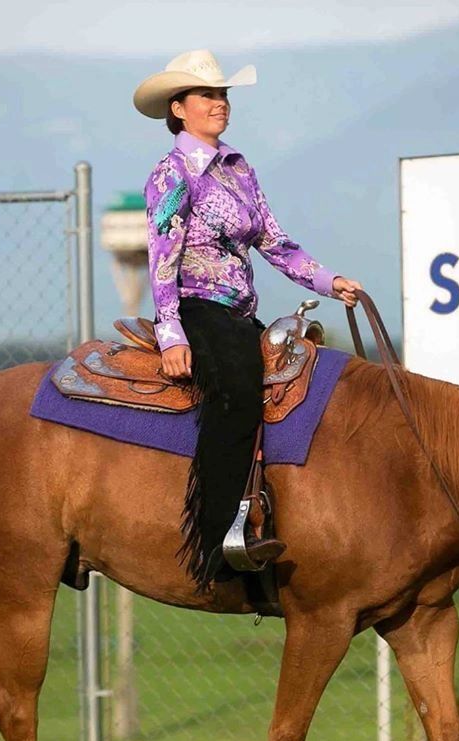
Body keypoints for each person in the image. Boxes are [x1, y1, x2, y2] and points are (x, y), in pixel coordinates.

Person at [134, 50, 362, 591]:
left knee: (299, 381)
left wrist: (330, 282)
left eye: (224, 95)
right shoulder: (172, 173)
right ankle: (216, 546)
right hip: (197, 307)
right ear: (179, 108)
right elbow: (161, 254)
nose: (220, 104)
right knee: (236, 393)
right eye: (208, 96)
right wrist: (171, 332)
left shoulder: (239, 171)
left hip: (239, 312)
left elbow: (275, 244)